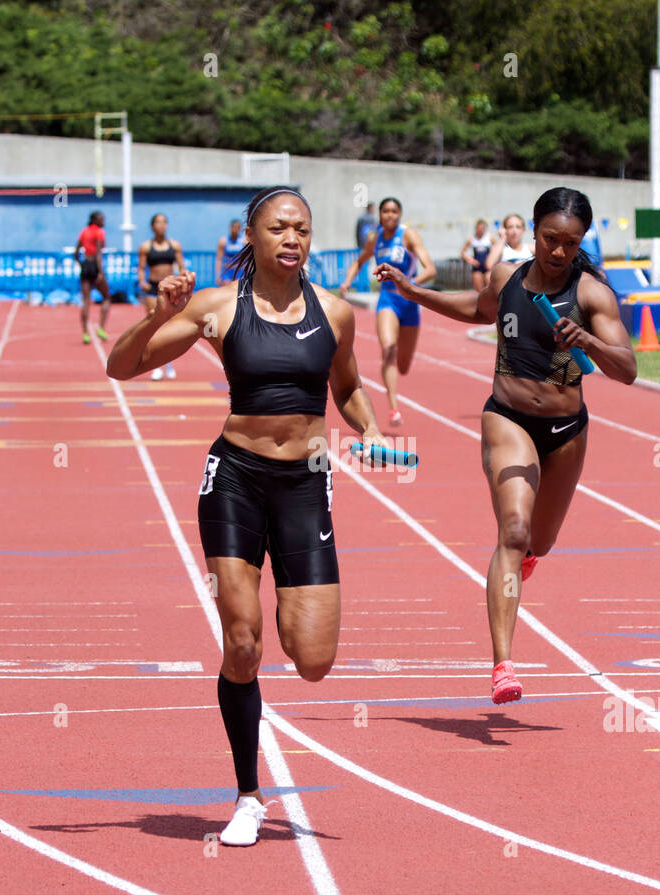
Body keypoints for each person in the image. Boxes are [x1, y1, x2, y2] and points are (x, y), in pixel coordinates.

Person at [106, 187, 388, 846]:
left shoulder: (336, 312)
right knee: (242, 640)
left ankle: (255, 764)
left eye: (303, 229)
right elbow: (121, 366)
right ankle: (249, 794)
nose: (292, 239)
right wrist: (155, 314)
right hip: (232, 480)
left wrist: (368, 428)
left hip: (305, 482)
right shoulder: (217, 309)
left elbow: (344, 384)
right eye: (279, 228)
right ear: (252, 237)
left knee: (314, 659)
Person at [373, 186, 636, 706]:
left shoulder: (592, 295)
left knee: (540, 541)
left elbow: (627, 369)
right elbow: (477, 308)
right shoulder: (508, 277)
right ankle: (502, 664)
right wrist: (412, 291)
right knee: (512, 533)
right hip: (508, 418)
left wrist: (589, 342)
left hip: (566, 431)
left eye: (570, 242)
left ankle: (526, 559)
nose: (558, 251)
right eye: (549, 239)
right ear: (532, 232)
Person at [339, 197, 436, 428]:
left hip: (409, 301)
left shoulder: (408, 235)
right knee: (388, 349)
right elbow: (359, 261)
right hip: (388, 299)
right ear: (380, 215)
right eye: (385, 211)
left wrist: (409, 284)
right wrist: (347, 282)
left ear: (399, 214)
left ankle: (395, 388)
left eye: (394, 211)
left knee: (403, 365)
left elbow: (430, 269)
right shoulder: (375, 238)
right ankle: (394, 408)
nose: (390, 215)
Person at [138, 213, 185, 379]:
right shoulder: (145, 246)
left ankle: (168, 362)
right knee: (154, 326)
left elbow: (181, 266)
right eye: (158, 223)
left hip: (170, 289)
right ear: (152, 226)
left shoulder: (174, 245)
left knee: (170, 328)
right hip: (153, 289)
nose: (161, 225)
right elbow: (141, 268)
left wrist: (182, 280)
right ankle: (156, 366)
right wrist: (142, 281)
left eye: (164, 222)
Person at [74, 211, 111, 345]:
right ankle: (100, 327)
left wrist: (82, 264)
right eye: (102, 218)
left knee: (86, 300)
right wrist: (100, 272)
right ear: (95, 219)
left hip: (86, 265)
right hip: (95, 266)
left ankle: (85, 333)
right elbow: (98, 254)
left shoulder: (84, 232)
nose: (104, 221)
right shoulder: (99, 232)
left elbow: (76, 252)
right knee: (106, 296)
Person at [461, 219, 493, 292]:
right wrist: (471, 260)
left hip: (488, 267)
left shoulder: (489, 237)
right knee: (479, 291)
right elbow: (462, 253)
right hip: (477, 267)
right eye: (479, 228)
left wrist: (492, 260)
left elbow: (497, 249)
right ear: (476, 228)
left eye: (483, 228)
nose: (481, 230)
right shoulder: (472, 239)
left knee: (490, 290)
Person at [215, 219, 247, 283]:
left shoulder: (244, 241)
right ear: (230, 228)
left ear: (240, 229)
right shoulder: (223, 241)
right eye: (233, 227)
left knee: (239, 290)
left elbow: (248, 259)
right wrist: (217, 275)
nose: (235, 229)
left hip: (239, 272)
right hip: (227, 272)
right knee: (226, 291)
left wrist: (248, 273)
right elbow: (219, 259)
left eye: (237, 227)